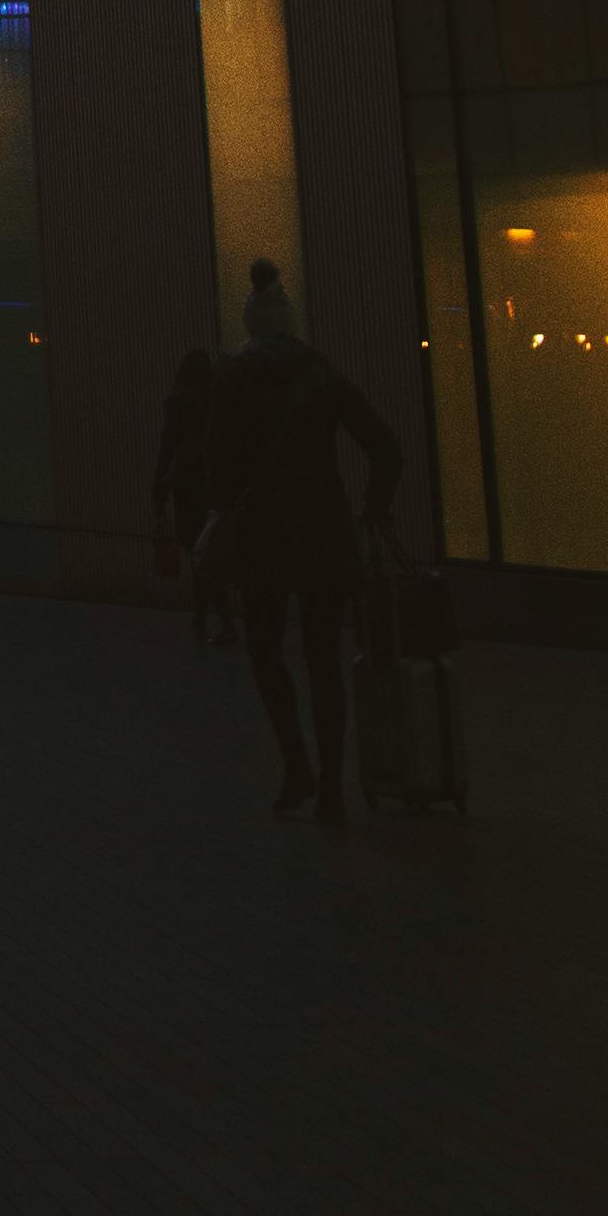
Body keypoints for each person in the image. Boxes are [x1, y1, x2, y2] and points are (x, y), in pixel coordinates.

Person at [199, 264, 400, 824]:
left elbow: (215, 465)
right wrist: (373, 508)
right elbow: (385, 447)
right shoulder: (321, 374)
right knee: (324, 665)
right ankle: (334, 786)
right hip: (324, 533)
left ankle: (297, 766)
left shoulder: (233, 380)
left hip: (263, 536)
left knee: (266, 655)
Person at [150, 341, 229, 644]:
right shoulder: (214, 401)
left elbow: (166, 447)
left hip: (185, 486)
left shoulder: (178, 402)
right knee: (207, 553)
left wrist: (158, 491)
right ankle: (209, 619)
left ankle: (206, 619)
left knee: (196, 554)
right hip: (212, 485)